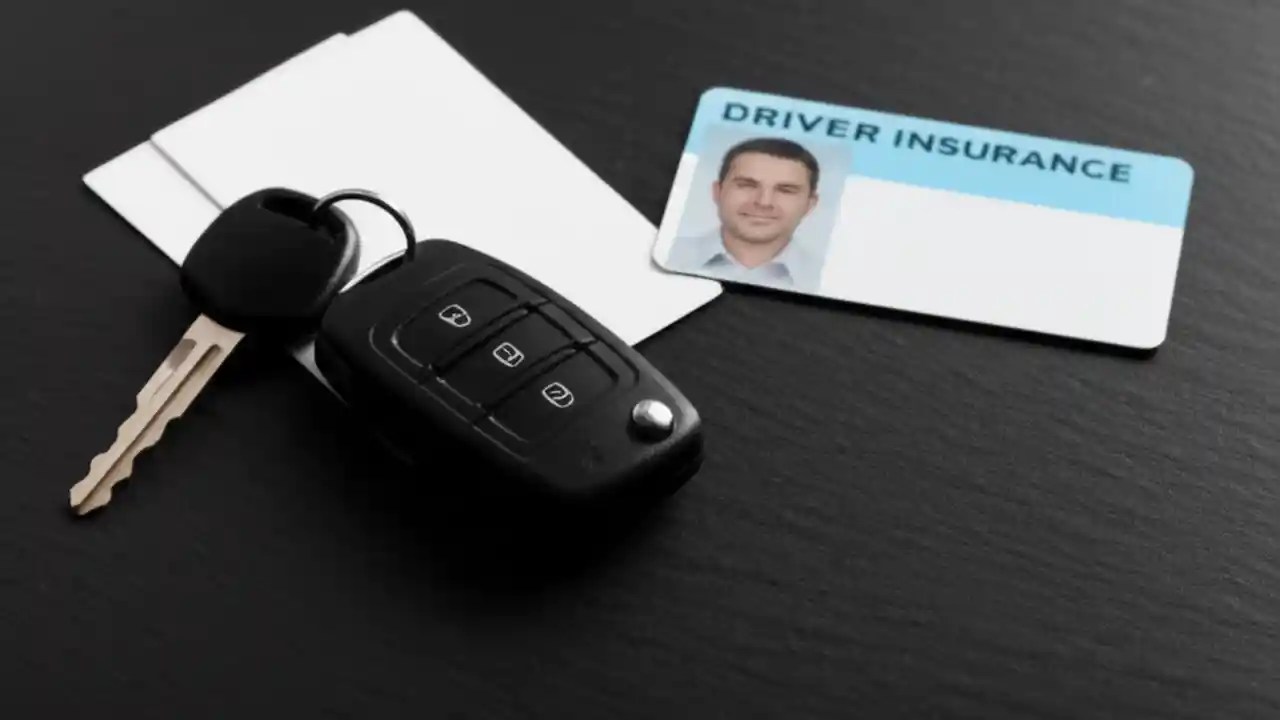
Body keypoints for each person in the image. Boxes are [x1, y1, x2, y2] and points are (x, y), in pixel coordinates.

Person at [669, 137, 823, 290]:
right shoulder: (668, 253)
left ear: (810, 204)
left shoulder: (827, 278)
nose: (764, 202)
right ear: (718, 192)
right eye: (747, 185)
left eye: (785, 190)